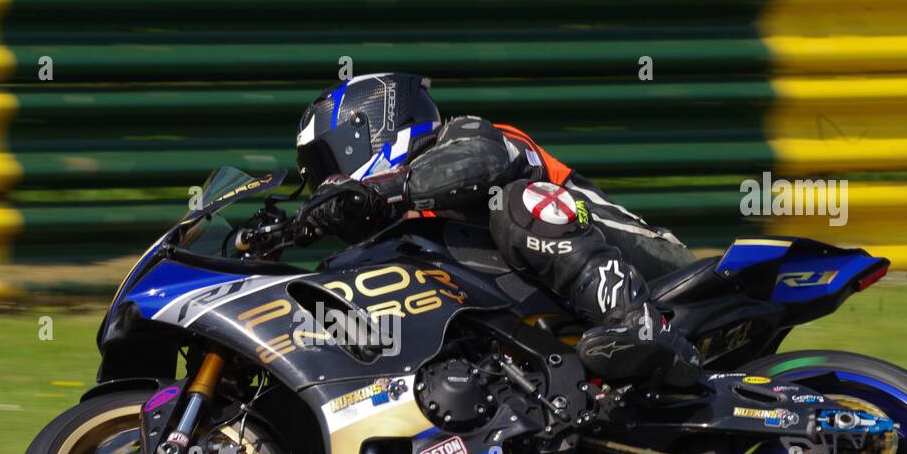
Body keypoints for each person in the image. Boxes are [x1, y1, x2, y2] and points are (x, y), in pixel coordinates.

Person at [294, 72, 702, 388]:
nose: (327, 184)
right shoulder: (408, 231)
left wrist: (376, 189)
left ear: (372, 130)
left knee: (515, 203)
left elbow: (477, 164)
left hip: (654, 265)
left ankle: (637, 322)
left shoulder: (470, 136)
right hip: (557, 323)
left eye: (330, 163)